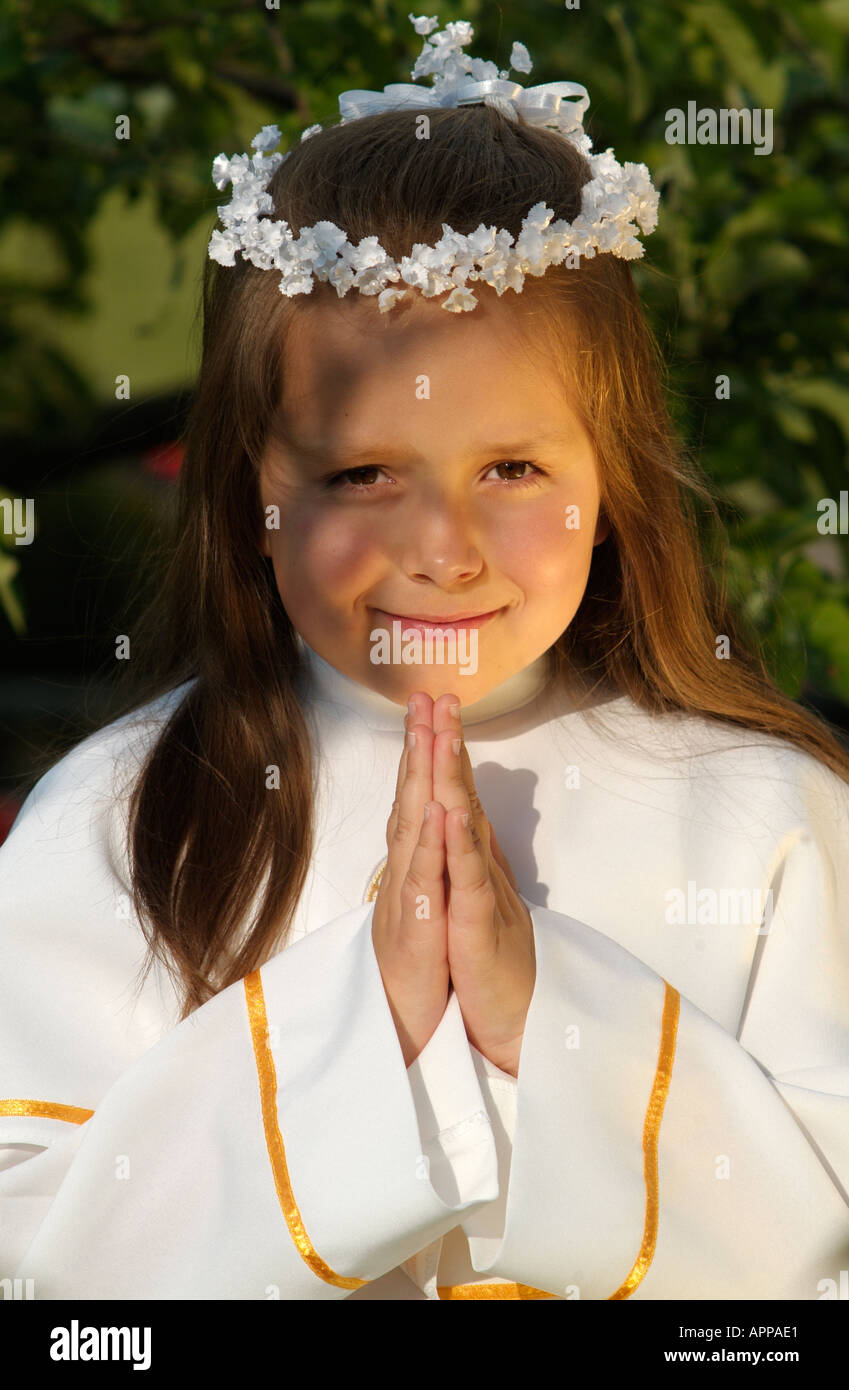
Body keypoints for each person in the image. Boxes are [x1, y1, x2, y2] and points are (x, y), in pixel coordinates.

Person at [1, 14, 848, 1302]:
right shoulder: (125, 820)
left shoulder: (772, 826)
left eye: (512, 468)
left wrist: (544, 1022)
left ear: (610, 476)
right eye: (363, 474)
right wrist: (367, 1026)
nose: (444, 551)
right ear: (251, 492)